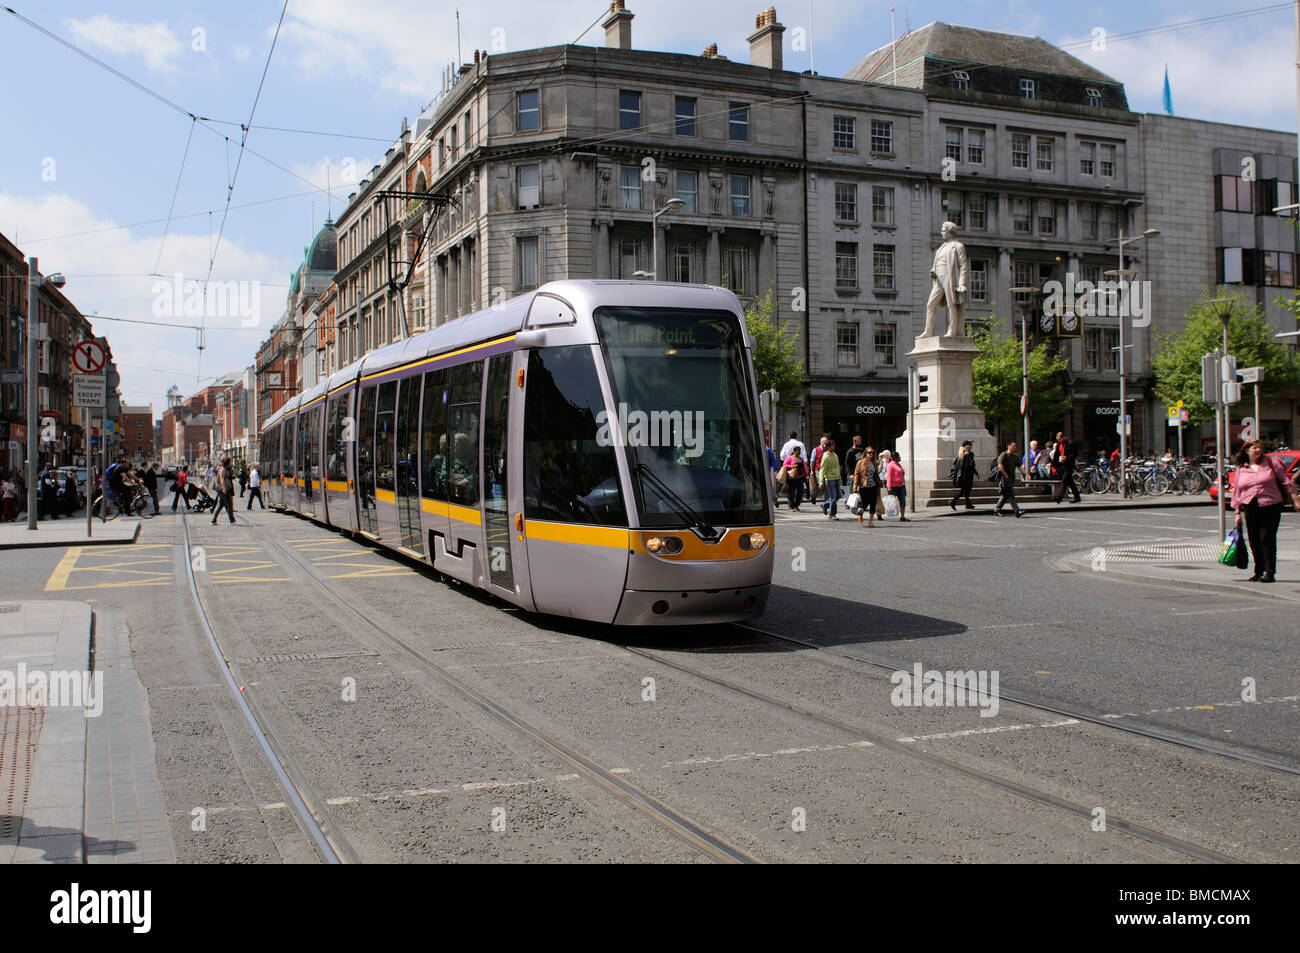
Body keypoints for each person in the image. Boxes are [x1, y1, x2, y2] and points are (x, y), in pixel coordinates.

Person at [1232, 440, 1299, 583]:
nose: (1258, 450)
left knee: (1266, 538)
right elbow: (1237, 490)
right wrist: (1237, 512)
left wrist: (1295, 499)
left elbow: (1286, 481)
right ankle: (1258, 570)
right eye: (1254, 448)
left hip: (1271, 505)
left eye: (1260, 448)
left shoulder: (1271, 463)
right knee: (1254, 539)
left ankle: (1270, 572)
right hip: (1250, 505)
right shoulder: (1242, 468)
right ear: (1247, 451)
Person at [995, 440, 1024, 517]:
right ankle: (1017, 511)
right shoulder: (1004, 455)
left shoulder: (1015, 456)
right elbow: (1000, 466)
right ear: (1009, 446)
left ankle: (997, 509)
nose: (1015, 447)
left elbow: (1019, 466)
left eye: (1015, 446)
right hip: (1004, 478)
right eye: (1013, 446)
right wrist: (1006, 475)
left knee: (1005, 495)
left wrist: (1024, 473)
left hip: (1011, 478)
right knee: (1010, 495)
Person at [851, 449, 879, 527]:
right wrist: (855, 487)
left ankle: (870, 521)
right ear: (866, 453)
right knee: (864, 503)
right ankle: (860, 514)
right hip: (864, 486)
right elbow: (856, 475)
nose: (871, 454)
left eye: (872, 453)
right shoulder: (860, 462)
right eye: (869, 452)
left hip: (873, 486)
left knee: (873, 503)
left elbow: (876, 474)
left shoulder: (874, 463)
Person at [1051, 433, 1081, 504]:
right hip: (1062, 465)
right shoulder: (1059, 445)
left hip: (1069, 465)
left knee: (1064, 481)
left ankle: (1059, 497)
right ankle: (1077, 497)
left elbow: (1075, 454)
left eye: (1059, 438)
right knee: (1070, 482)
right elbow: (1056, 455)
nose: (1058, 440)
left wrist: (1066, 458)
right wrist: (1053, 464)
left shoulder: (1070, 443)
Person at [950, 440, 977, 510]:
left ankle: (968, 504)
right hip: (968, 475)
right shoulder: (970, 454)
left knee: (966, 491)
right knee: (964, 491)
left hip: (961, 475)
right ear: (967, 446)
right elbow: (971, 465)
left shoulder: (960, 454)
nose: (971, 446)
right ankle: (953, 501)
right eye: (970, 445)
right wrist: (976, 473)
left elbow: (955, 464)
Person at [819, 438, 842, 519]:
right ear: (828, 447)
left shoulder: (835, 455)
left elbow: (837, 467)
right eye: (832, 446)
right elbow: (822, 469)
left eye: (834, 445)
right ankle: (832, 514)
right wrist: (821, 481)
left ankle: (825, 505)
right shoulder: (825, 457)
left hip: (837, 478)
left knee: (839, 495)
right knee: (833, 497)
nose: (834, 447)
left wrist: (840, 479)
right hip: (829, 479)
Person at [884, 450, 909, 521]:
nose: (900, 457)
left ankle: (902, 516)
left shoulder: (898, 464)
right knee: (891, 502)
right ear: (895, 457)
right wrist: (889, 486)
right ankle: (888, 513)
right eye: (899, 456)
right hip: (893, 486)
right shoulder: (891, 465)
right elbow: (889, 476)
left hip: (901, 486)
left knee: (902, 501)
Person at [211, 457, 236, 525]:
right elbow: (222, 479)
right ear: (227, 463)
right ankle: (232, 521)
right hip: (224, 490)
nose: (231, 463)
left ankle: (213, 520)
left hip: (223, 490)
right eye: (230, 462)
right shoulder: (223, 469)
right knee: (229, 505)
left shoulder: (222, 468)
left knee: (221, 505)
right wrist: (224, 488)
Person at [782, 446, 807, 512]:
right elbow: (784, 465)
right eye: (798, 451)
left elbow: (804, 468)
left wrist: (806, 476)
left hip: (800, 477)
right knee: (791, 492)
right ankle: (791, 506)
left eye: (800, 451)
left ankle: (796, 505)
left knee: (800, 492)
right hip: (791, 478)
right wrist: (792, 466)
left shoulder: (801, 459)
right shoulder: (789, 458)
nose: (799, 452)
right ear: (795, 451)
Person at [807, 435, 828, 503]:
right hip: (818, 470)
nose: (825, 444)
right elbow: (812, 461)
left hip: (826, 470)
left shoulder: (827, 450)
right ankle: (813, 496)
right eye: (824, 442)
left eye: (826, 442)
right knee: (820, 484)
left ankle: (825, 500)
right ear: (821, 442)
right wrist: (812, 471)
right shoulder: (816, 450)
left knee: (825, 484)